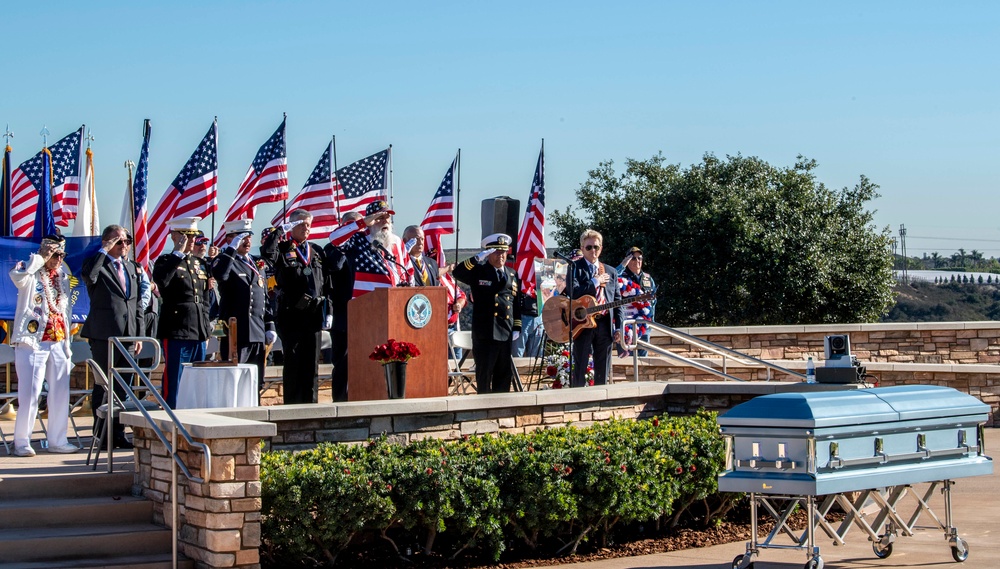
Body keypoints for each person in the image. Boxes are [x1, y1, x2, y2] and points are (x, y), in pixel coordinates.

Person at [8, 235, 78, 456]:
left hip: (58, 341)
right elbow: (17, 277)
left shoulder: (63, 278)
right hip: (32, 342)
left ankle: (58, 440)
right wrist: (40, 258)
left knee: (60, 392)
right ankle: (21, 442)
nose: (58, 259)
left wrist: (68, 342)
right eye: (54, 254)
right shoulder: (30, 271)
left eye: (61, 255)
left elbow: (65, 312)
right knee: (30, 393)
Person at [80, 225, 147, 448]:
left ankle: (117, 433)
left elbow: (137, 304)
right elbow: (89, 277)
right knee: (104, 385)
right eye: (119, 242)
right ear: (108, 242)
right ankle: (101, 436)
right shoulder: (98, 264)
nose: (125, 245)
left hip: (128, 336)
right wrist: (104, 250)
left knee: (123, 388)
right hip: (104, 335)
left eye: (127, 241)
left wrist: (139, 335)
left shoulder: (131, 268)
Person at [261, 209, 329, 404]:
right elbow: (267, 254)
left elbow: (326, 281)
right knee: (293, 362)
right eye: (301, 224)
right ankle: (292, 405)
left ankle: (311, 405)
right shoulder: (282, 248)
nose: (306, 227)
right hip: (291, 314)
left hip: (313, 314)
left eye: (308, 224)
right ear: (291, 226)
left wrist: (328, 311)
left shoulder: (316, 251)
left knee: (311, 364)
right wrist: (278, 232)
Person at [152, 216, 214, 408]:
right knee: (176, 375)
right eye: (187, 235)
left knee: (197, 377)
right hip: (177, 327)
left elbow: (204, 299)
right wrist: (177, 254)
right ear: (175, 236)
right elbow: (162, 281)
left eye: (194, 236)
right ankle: (172, 410)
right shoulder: (165, 261)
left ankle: (193, 411)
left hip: (197, 328)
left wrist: (206, 329)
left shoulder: (199, 264)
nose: (192, 240)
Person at [452, 233, 521, 394]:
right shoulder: (480, 272)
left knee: (504, 375)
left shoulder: (512, 274)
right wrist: (478, 258)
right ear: (489, 253)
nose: (501, 256)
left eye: (503, 252)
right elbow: (458, 273)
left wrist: (517, 326)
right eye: (496, 252)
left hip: (505, 331)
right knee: (484, 376)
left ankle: (501, 409)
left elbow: (516, 302)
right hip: (486, 333)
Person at [212, 218, 276, 388]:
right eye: (241, 237)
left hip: (257, 331)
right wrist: (232, 248)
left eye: (249, 237)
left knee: (256, 382)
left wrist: (270, 326)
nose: (247, 241)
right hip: (236, 332)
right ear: (230, 239)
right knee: (235, 380)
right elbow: (220, 275)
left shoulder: (257, 263)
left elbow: (263, 297)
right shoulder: (224, 261)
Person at [566, 229, 622, 387]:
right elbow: (574, 292)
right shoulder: (575, 268)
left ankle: (600, 401)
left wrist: (619, 327)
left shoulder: (610, 271)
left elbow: (617, 301)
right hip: (583, 323)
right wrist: (595, 282)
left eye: (596, 247)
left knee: (602, 367)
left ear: (601, 248)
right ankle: (576, 399)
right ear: (582, 248)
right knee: (580, 365)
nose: (593, 250)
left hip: (604, 323)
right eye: (589, 247)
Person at [327, 200, 408, 295]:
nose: (385, 221)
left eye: (388, 217)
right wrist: (363, 222)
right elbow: (334, 237)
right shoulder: (358, 239)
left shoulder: (397, 241)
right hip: (368, 302)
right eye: (380, 217)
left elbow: (408, 270)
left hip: (397, 300)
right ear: (371, 221)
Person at [322, 212, 360, 402]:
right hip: (342, 316)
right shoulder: (333, 248)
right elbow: (334, 267)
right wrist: (342, 244)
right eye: (349, 226)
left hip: (366, 314)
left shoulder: (364, 248)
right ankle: (340, 401)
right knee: (342, 363)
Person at [616, 246, 657, 357]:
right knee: (628, 361)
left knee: (643, 360)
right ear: (627, 260)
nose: (637, 261)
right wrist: (622, 265)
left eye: (640, 258)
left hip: (644, 325)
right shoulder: (620, 276)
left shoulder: (648, 278)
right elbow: (610, 279)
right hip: (626, 325)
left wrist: (651, 321)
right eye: (633, 258)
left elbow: (653, 303)